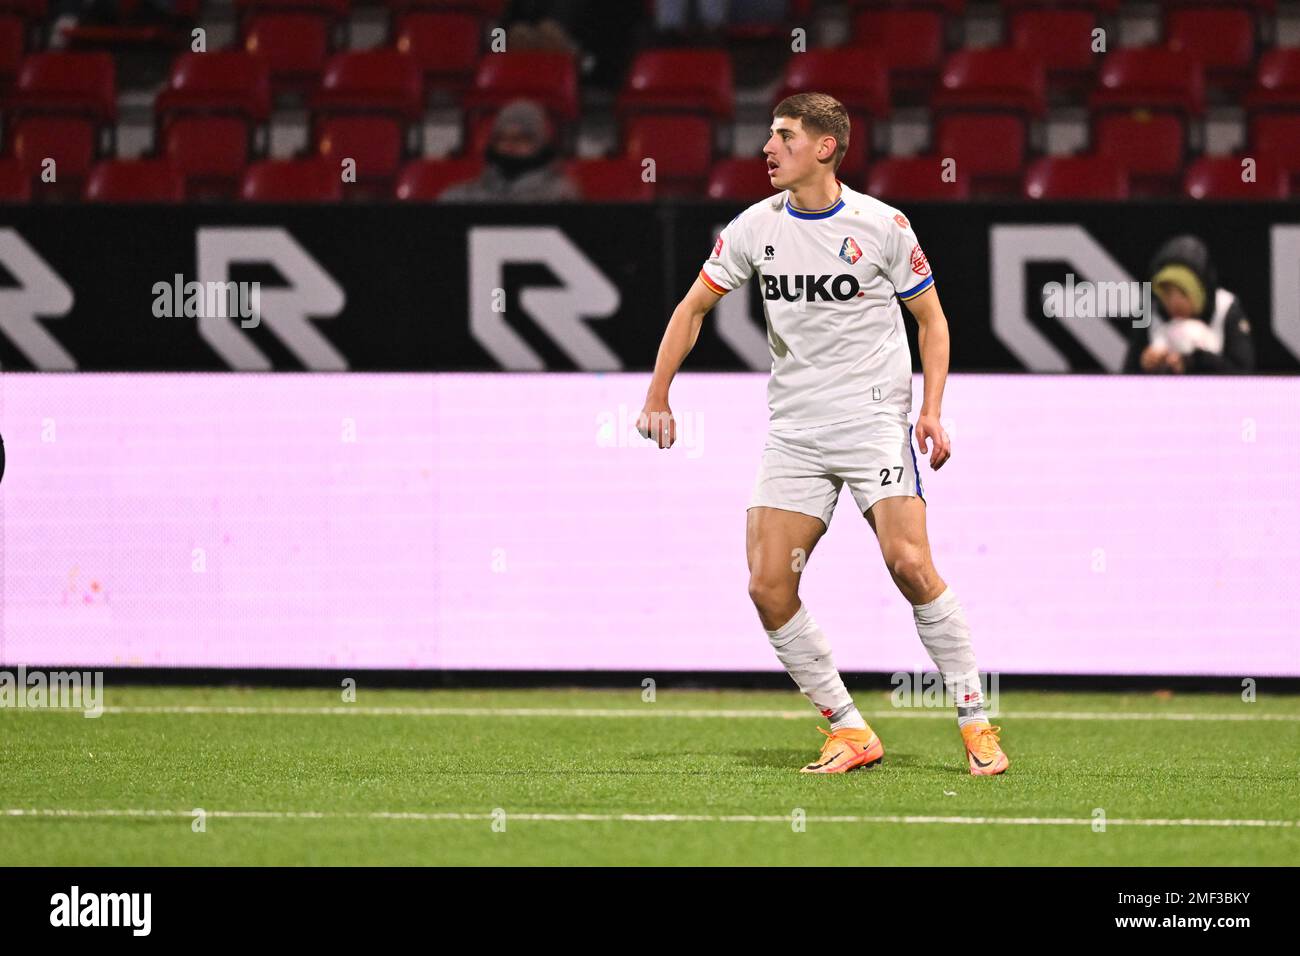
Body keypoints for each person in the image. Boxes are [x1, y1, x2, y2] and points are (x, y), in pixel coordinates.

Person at [637, 92, 1008, 776]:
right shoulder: (754, 228)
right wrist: (658, 391)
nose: (767, 149)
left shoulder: (883, 226)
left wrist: (930, 410)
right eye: (769, 136)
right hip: (796, 431)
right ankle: (849, 728)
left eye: (783, 136)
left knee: (910, 565)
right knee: (768, 586)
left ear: (825, 147)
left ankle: (975, 719)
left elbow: (933, 322)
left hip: (872, 423)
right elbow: (692, 309)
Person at [1124, 235, 1255, 374]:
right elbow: (1127, 376)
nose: (1174, 302)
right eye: (1167, 291)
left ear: (1200, 291)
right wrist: (1145, 365)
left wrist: (1193, 362)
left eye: (1183, 291)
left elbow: (1243, 373)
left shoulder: (1226, 308)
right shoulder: (1150, 312)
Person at [440, 99, 580, 203]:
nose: (510, 145)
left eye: (522, 139)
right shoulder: (461, 197)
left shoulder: (561, 197)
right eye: (501, 138)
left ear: (540, 144)